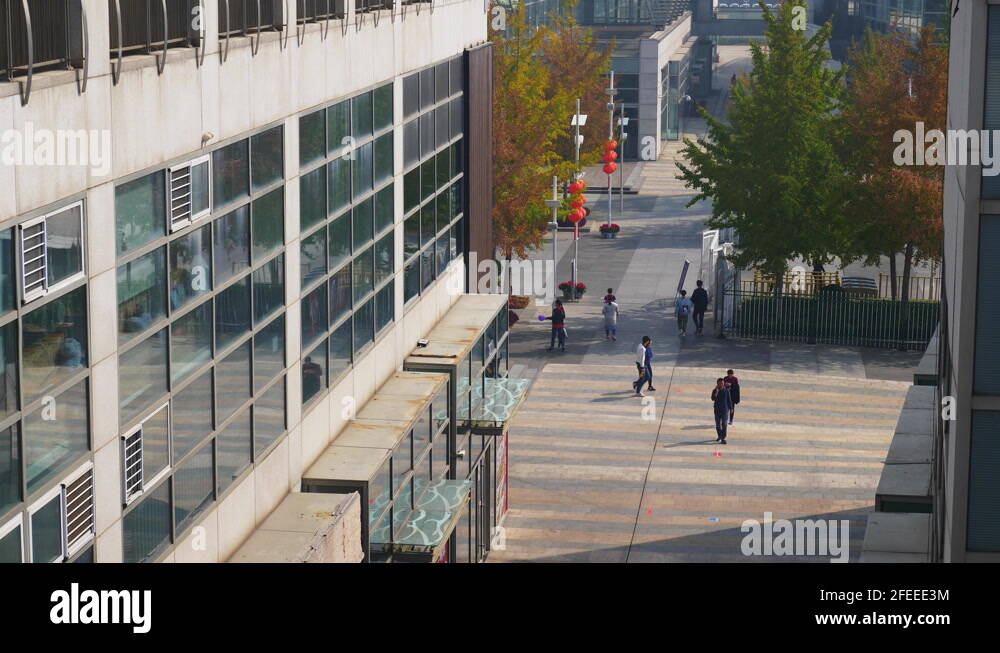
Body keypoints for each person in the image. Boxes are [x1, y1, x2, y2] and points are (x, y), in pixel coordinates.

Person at [711, 377, 734, 444]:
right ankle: (719, 436)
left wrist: (731, 408)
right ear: (717, 384)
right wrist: (716, 392)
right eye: (720, 383)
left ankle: (723, 438)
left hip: (725, 410)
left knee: (724, 424)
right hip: (717, 410)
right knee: (718, 424)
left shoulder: (726, 391)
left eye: (722, 383)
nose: (721, 384)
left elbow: (729, 400)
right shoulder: (714, 390)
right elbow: (712, 398)